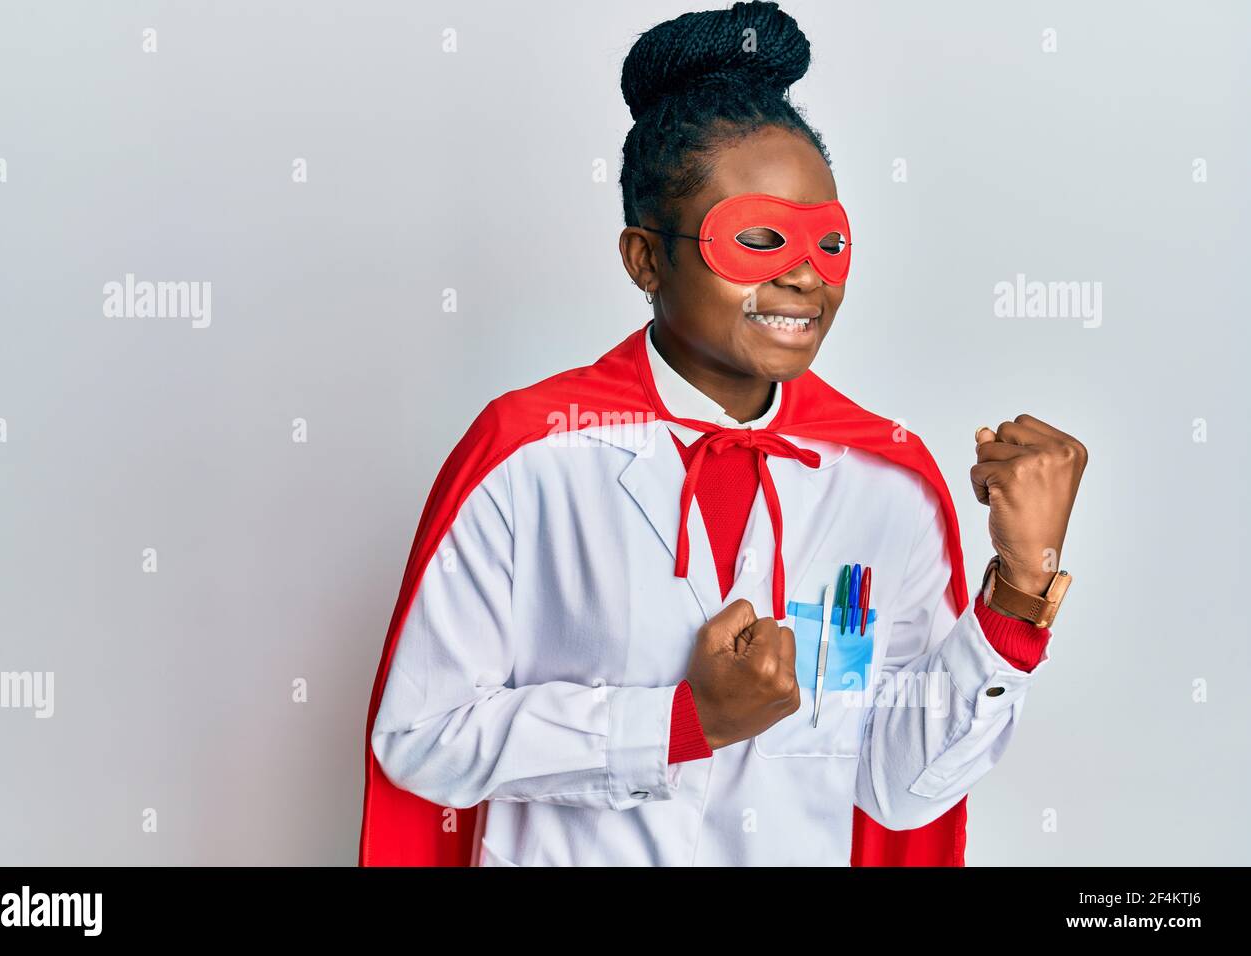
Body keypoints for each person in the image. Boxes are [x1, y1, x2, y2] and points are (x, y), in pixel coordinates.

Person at [358, 0, 1086, 866]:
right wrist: (679, 723)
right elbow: (420, 736)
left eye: (828, 244)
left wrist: (1018, 594)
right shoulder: (532, 454)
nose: (804, 277)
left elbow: (898, 787)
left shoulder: (885, 482)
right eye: (757, 239)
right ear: (646, 258)